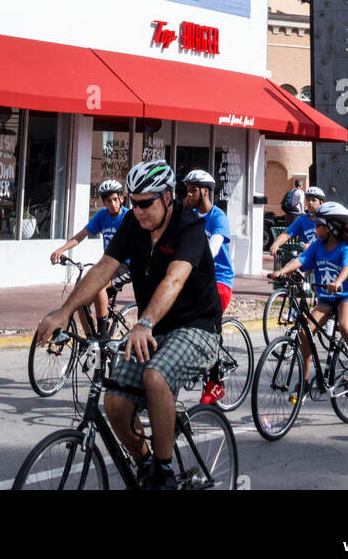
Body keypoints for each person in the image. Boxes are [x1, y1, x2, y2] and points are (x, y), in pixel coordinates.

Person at [36, 160, 221, 491]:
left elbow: (174, 279)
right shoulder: (134, 226)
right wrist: (65, 312)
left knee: (156, 375)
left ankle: (164, 473)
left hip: (197, 328)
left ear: (167, 198)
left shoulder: (188, 226)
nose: (137, 210)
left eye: (145, 203)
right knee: (115, 402)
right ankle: (147, 462)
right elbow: (103, 269)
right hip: (157, 331)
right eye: (133, 202)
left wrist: (144, 322)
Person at [268, 200, 348, 386]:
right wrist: (281, 272)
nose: (316, 228)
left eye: (319, 225)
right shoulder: (317, 245)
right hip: (326, 298)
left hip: (346, 295)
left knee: (344, 327)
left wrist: (337, 282)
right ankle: (304, 381)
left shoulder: (344, 247)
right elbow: (301, 259)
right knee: (304, 333)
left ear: (331, 228)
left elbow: (346, 268)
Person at [49, 179, 128, 339]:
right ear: (103, 202)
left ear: (121, 198)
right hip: (108, 264)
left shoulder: (128, 217)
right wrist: (61, 249)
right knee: (80, 299)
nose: (112, 204)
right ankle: (92, 340)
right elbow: (81, 235)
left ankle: (103, 333)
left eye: (114, 199)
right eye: (108, 201)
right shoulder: (102, 216)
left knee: (99, 284)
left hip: (126, 265)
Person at [183, 169, 234, 405]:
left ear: (205, 191)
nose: (189, 194)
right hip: (195, 277)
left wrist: (194, 262)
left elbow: (213, 247)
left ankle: (215, 382)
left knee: (208, 326)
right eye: (187, 190)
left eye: (193, 190)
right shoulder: (189, 214)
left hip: (219, 280)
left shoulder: (217, 216)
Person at [270, 186, 325, 262]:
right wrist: (276, 244)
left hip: (323, 257)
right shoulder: (302, 219)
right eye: (308, 200)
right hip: (308, 256)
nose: (310, 203)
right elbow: (287, 233)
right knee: (289, 266)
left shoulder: (325, 219)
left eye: (314, 200)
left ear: (321, 202)